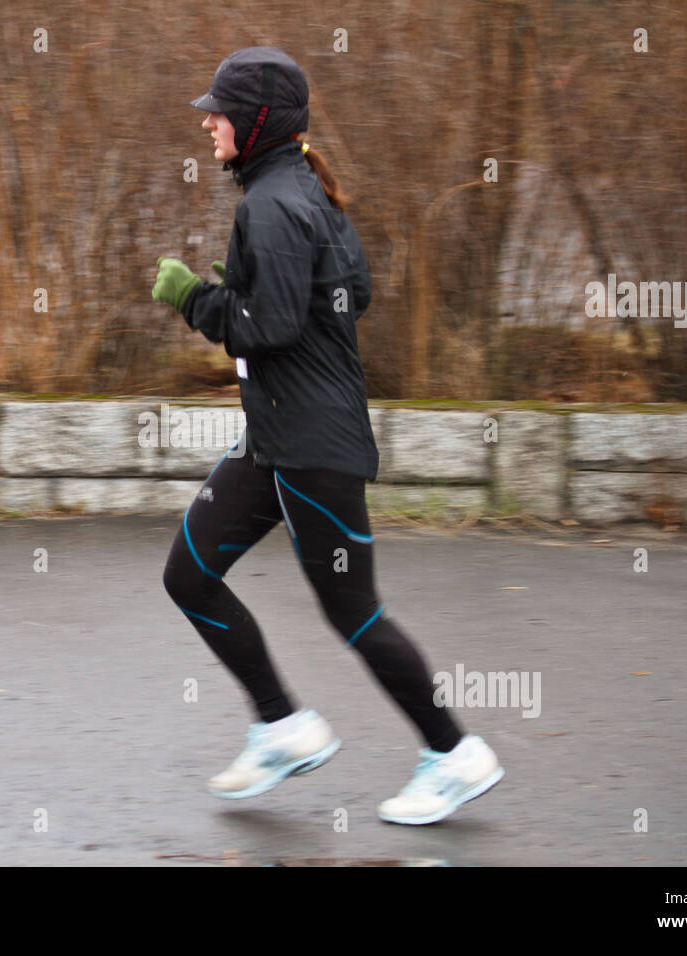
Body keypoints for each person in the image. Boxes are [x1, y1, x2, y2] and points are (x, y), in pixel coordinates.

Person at [151, 47, 503, 825]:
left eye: (219, 111)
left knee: (354, 610)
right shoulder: (303, 191)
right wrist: (247, 284)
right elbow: (355, 292)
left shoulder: (272, 205)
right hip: (276, 439)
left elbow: (266, 329)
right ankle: (282, 726)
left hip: (313, 447)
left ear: (257, 123)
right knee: (189, 573)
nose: (207, 121)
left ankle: (453, 753)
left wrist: (197, 299)